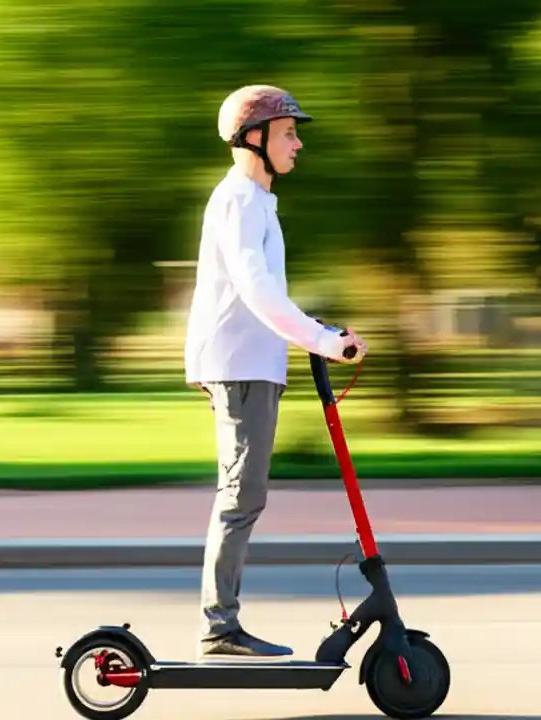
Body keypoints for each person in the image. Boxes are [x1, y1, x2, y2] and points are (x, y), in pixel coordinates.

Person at [183, 84, 367, 658]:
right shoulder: (238, 199)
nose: (299, 143)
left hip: (254, 364)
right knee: (241, 495)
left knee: (246, 494)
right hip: (239, 367)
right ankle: (219, 626)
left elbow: (266, 295)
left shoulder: (258, 202)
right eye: (289, 132)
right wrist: (319, 339)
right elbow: (255, 288)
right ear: (253, 138)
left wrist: (317, 331)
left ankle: (222, 621)